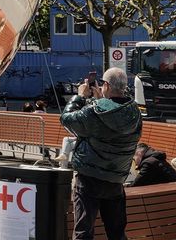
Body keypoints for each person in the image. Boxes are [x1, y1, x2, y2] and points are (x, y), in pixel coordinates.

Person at [59, 67, 142, 240]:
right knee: (116, 232)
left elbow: (67, 119)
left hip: (89, 178)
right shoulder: (134, 112)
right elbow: (113, 118)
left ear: (106, 85)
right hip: (116, 179)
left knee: (83, 231)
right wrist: (100, 101)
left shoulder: (93, 112)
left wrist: (80, 97)